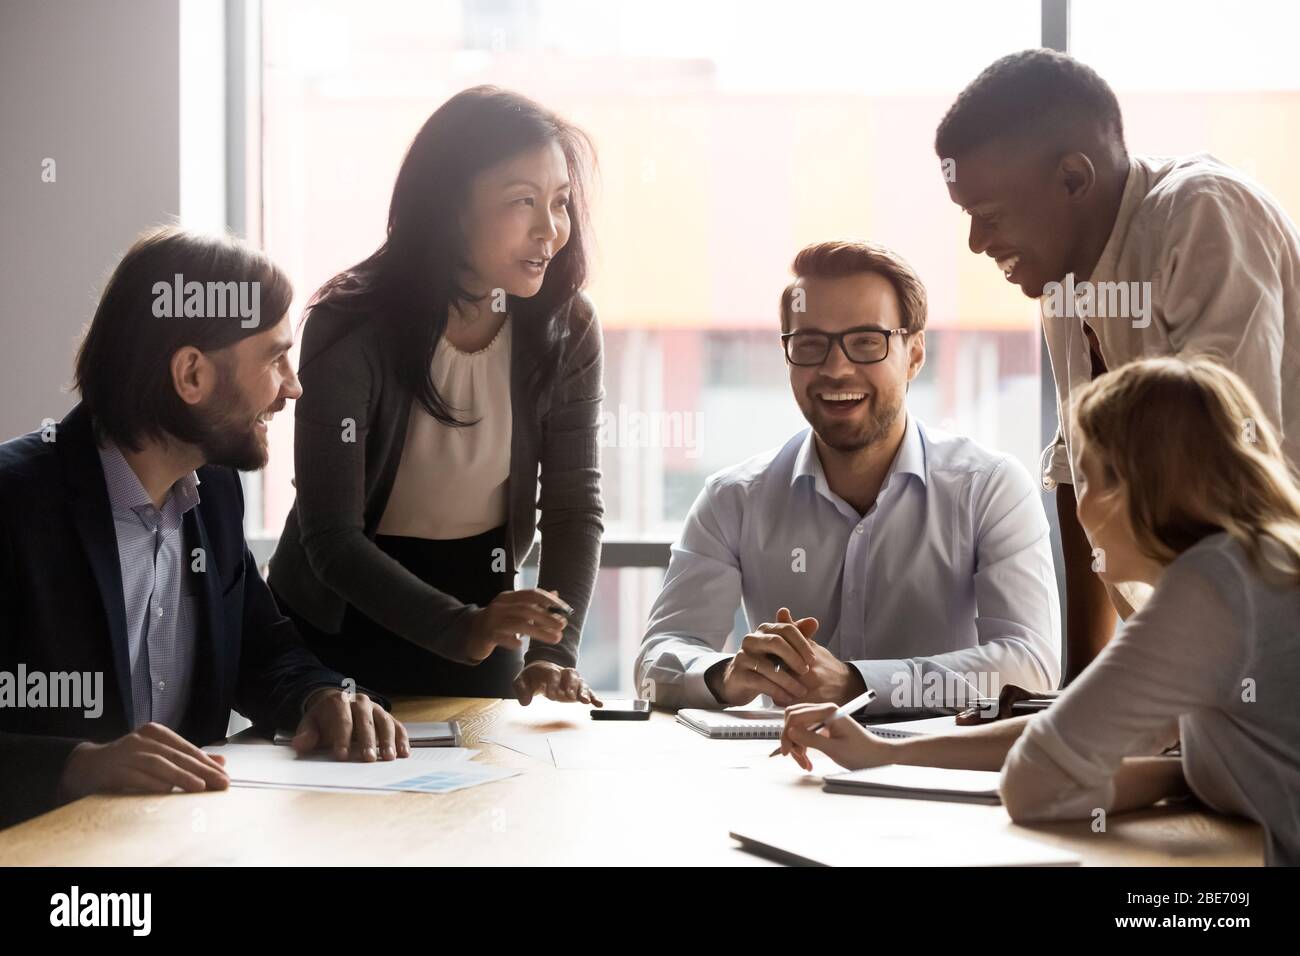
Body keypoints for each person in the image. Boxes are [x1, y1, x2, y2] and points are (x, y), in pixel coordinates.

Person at [780, 357, 1300, 866]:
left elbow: (1034, 785)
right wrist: (885, 753)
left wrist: (1180, 775)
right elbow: (1063, 735)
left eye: (1090, 478)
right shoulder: (1257, 566)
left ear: (1137, 485)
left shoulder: (1210, 586)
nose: (1079, 508)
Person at [0, 227, 408, 830]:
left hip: (179, 843)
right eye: (274, 358)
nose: (293, 387)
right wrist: (78, 765)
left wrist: (322, 698)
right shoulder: (15, 503)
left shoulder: (213, 491)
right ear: (191, 375)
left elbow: (264, 655)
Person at [937, 49, 1300, 679]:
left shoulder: (1203, 214)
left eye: (987, 216)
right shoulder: (1061, 280)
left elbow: (1225, 476)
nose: (976, 242)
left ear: (1074, 179)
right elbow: (1075, 473)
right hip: (1194, 656)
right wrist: (1077, 688)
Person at [267, 87, 606, 706]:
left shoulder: (567, 325)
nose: (551, 231)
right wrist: (462, 626)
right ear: (448, 205)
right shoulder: (348, 324)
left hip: (483, 598)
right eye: (522, 202)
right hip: (339, 609)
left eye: (559, 203)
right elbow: (330, 537)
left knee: (479, 792)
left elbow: (572, 509)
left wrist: (552, 651)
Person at [635, 240, 1060, 716]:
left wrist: (855, 683)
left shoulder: (990, 488)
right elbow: (655, 662)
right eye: (811, 345)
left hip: (935, 776)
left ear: (915, 354)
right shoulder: (732, 498)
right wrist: (727, 674)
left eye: (865, 342)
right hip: (780, 773)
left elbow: (1030, 666)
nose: (836, 369)